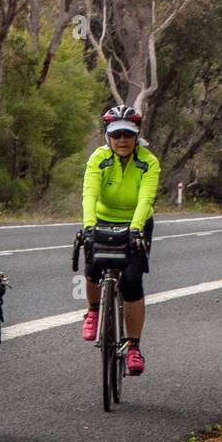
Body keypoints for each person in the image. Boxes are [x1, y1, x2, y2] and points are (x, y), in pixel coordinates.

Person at [80, 105, 160, 376]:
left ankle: (134, 346)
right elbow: (89, 194)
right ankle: (92, 310)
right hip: (102, 219)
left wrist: (136, 229)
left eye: (128, 135)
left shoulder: (148, 161)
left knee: (132, 279)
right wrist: (89, 227)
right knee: (92, 265)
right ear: (108, 137)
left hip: (136, 223)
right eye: (116, 135)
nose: (122, 140)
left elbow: (145, 199)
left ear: (137, 136)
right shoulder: (98, 159)